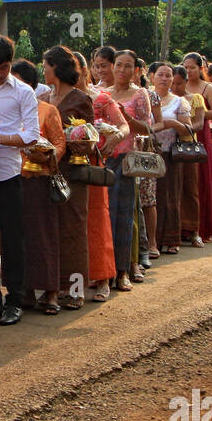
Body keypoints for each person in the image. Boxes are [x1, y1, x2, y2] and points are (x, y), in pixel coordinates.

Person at [0, 34, 39, 324]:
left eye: (3, 67)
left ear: (10, 64)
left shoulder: (23, 92)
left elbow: (31, 136)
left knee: (14, 240)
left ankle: (15, 299)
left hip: (9, 175)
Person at [11, 59, 65, 314]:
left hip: (41, 180)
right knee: (19, 237)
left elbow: (60, 143)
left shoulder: (47, 110)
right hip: (13, 179)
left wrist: (45, 155)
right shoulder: (5, 111)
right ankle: (27, 292)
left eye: (18, 82)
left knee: (44, 236)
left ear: (30, 85)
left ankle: (51, 292)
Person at [45, 46, 94, 306]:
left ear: (57, 67)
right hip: (44, 170)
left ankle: (75, 289)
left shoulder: (80, 98)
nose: (43, 70)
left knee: (73, 229)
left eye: (46, 65)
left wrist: (64, 140)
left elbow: (88, 136)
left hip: (72, 172)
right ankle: (52, 285)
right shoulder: (43, 96)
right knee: (49, 230)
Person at [82, 51, 128, 298]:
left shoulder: (100, 99)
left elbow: (123, 125)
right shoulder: (55, 98)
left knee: (101, 221)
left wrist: (116, 138)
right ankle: (77, 280)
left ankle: (106, 277)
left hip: (99, 165)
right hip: (68, 169)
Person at [108, 50, 153, 282]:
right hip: (104, 157)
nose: (122, 70)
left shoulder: (140, 94)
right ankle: (105, 271)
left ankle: (124, 269)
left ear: (136, 70)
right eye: (119, 65)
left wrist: (127, 118)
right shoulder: (102, 93)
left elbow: (148, 128)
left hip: (127, 159)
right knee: (106, 216)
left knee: (125, 215)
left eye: (127, 66)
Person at [149, 62, 193, 251]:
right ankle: (152, 241)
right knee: (152, 197)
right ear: (152, 77)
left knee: (170, 196)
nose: (165, 79)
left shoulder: (179, 101)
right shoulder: (145, 97)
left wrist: (172, 123)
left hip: (170, 154)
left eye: (168, 75)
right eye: (161, 75)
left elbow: (188, 130)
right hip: (148, 153)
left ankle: (170, 239)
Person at [183, 53, 212, 240]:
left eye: (192, 67)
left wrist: (198, 112)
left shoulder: (207, 88)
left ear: (200, 68)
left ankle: (202, 227)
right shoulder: (179, 86)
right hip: (182, 136)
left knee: (201, 180)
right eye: (186, 67)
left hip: (200, 135)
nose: (189, 71)